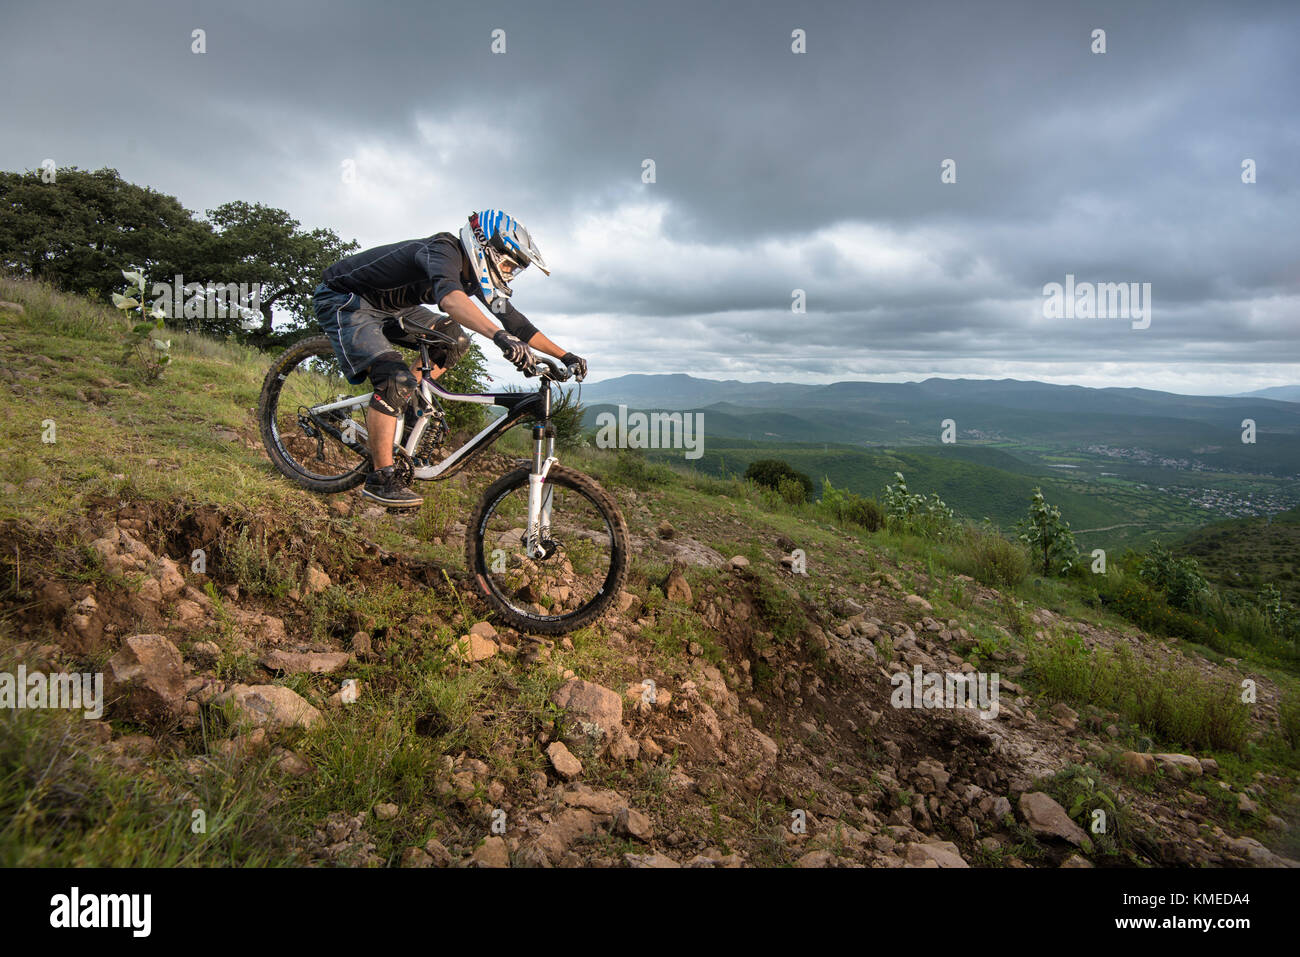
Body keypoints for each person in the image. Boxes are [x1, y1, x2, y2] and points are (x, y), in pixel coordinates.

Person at [312, 210, 587, 508]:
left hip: (394, 308)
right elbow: (451, 301)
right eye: (507, 263)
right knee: (395, 380)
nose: (508, 272)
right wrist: (498, 336)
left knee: (455, 341)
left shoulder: (473, 278)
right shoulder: (444, 250)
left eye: (514, 270)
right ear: (485, 246)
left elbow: (516, 322)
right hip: (346, 299)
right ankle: (381, 478)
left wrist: (565, 355)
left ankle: (404, 399)